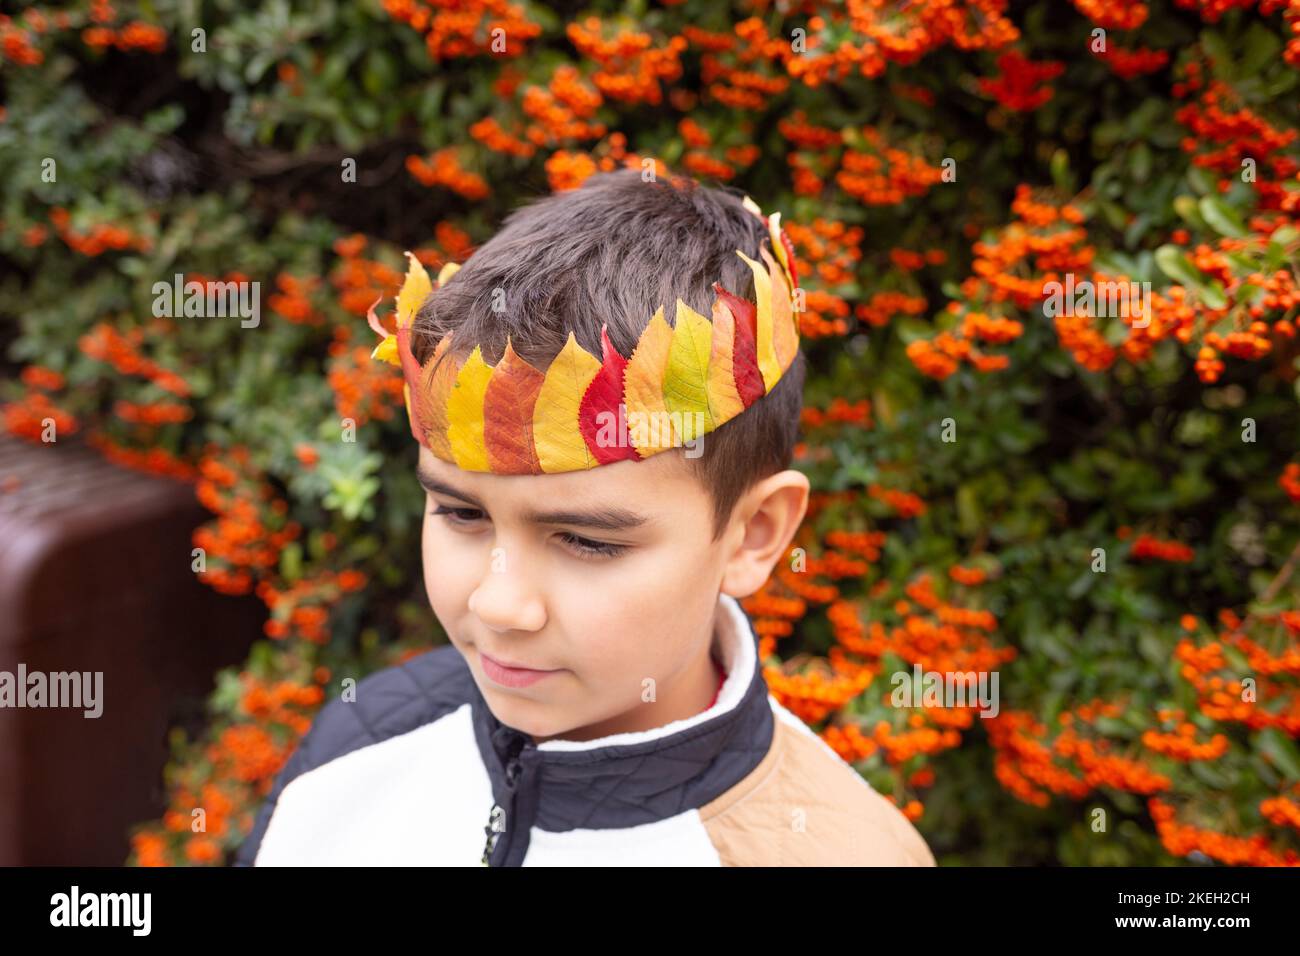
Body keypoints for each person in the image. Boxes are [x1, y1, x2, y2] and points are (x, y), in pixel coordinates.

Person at [234, 170, 936, 866]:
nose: (500, 605)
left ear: (753, 534)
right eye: (459, 512)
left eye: (586, 541)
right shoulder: (356, 747)